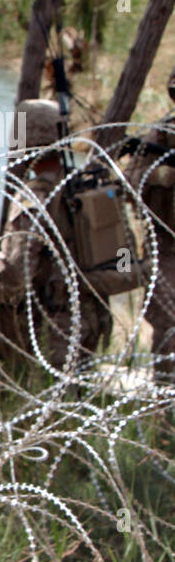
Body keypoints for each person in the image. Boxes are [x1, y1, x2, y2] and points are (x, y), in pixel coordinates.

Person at [0, 100, 110, 372]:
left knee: (51, 405)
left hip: (51, 325)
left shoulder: (36, 196)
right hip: (90, 316)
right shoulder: (85, 183)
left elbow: (16, 273)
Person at [120, 64, 175, 380]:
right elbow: (130, 184)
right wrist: (162, 175)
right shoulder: (162, 135)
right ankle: (166, 412)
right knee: (168, 332)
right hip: (166, 248)